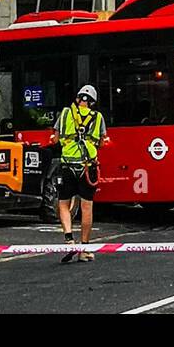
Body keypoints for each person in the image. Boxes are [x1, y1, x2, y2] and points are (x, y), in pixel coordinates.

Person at [50, 84, 110, 263]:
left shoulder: (66, 113)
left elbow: (55, 138)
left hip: (68, 165)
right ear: (92, 102)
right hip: (87, 167)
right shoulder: (98, 117)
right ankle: (84, 248)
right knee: (87, 207)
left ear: (78, 99)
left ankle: (69, 240)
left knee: (63, 204)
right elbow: (101, 142)